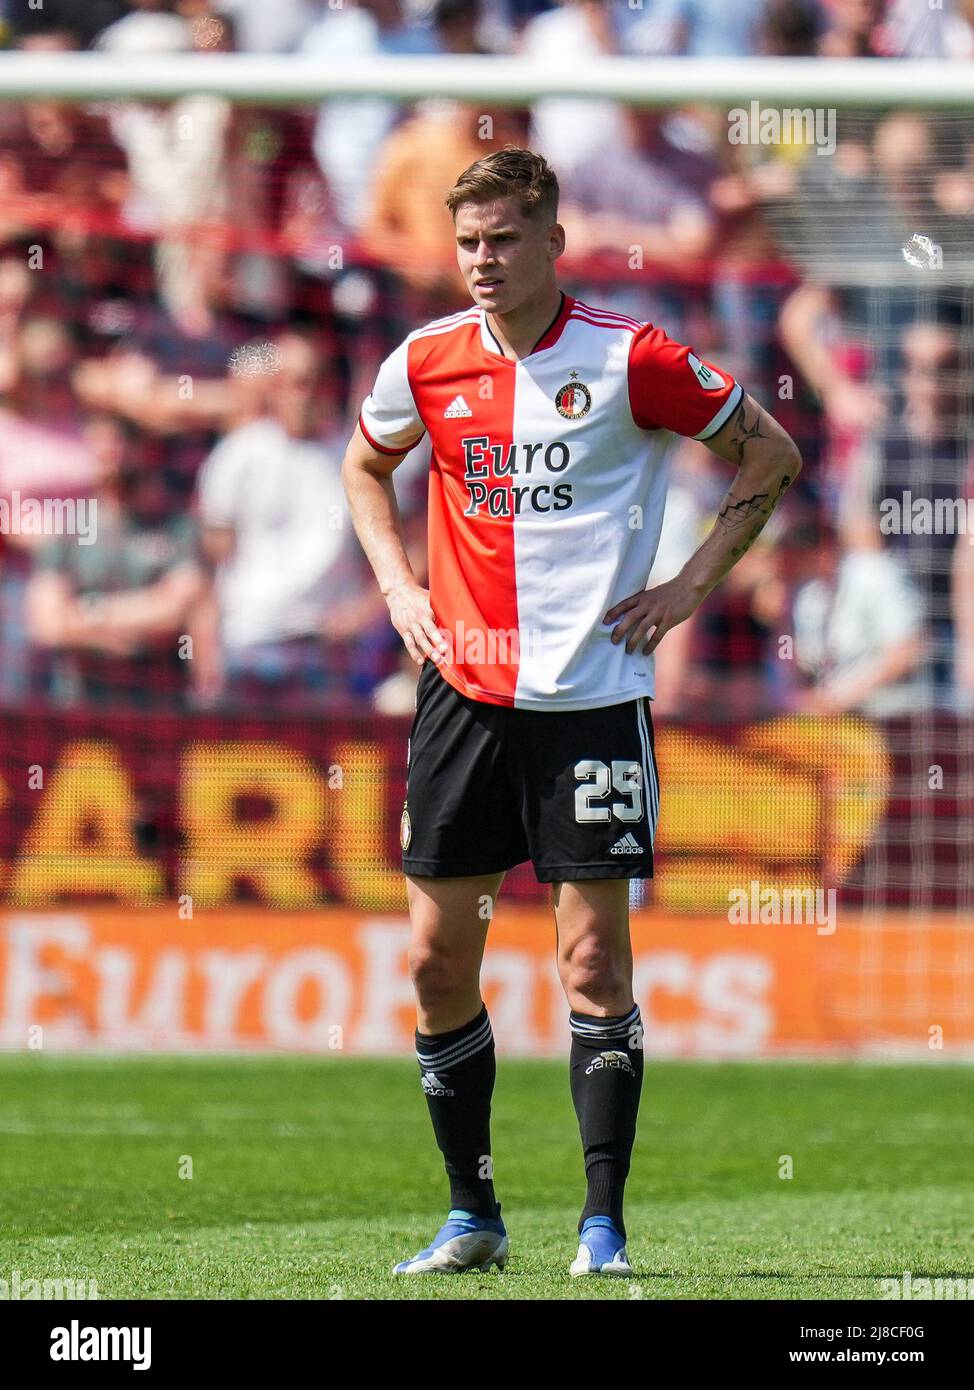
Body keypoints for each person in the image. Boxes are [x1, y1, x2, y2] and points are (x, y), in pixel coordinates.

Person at [341, 148, 801, 1278]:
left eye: (502, 238)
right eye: (466, 243)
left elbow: (768, 455)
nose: (482, 261)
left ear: (551, 241)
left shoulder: (632, 358)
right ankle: (471, 1214)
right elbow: (363, 467)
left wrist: (691, 586)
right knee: (435, 960)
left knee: (591, 962)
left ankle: (601, 1222)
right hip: (461, 691)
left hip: (591, 698)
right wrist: (399, 588)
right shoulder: (425, 362)